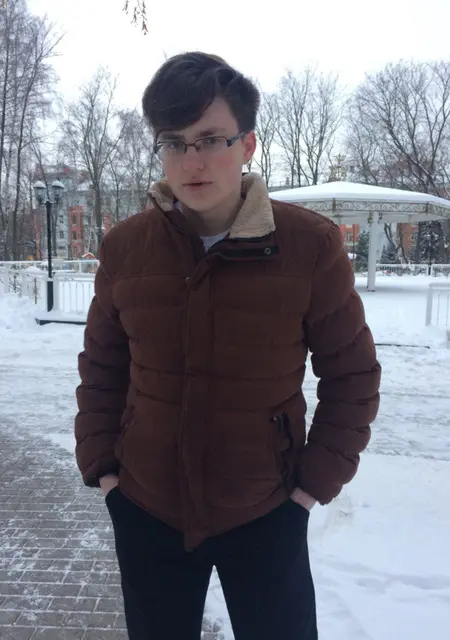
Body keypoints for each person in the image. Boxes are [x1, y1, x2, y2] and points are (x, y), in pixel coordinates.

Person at [75, 52, 381, 640]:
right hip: (147, 508)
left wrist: (310, 488)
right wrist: (106, 474)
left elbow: (353, 376)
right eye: (174, 142)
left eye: (211, 139)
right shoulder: (126, 249)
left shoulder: (308, 247)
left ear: (248, 145)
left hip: (266, 511)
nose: (192, 161)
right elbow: (102, 369)